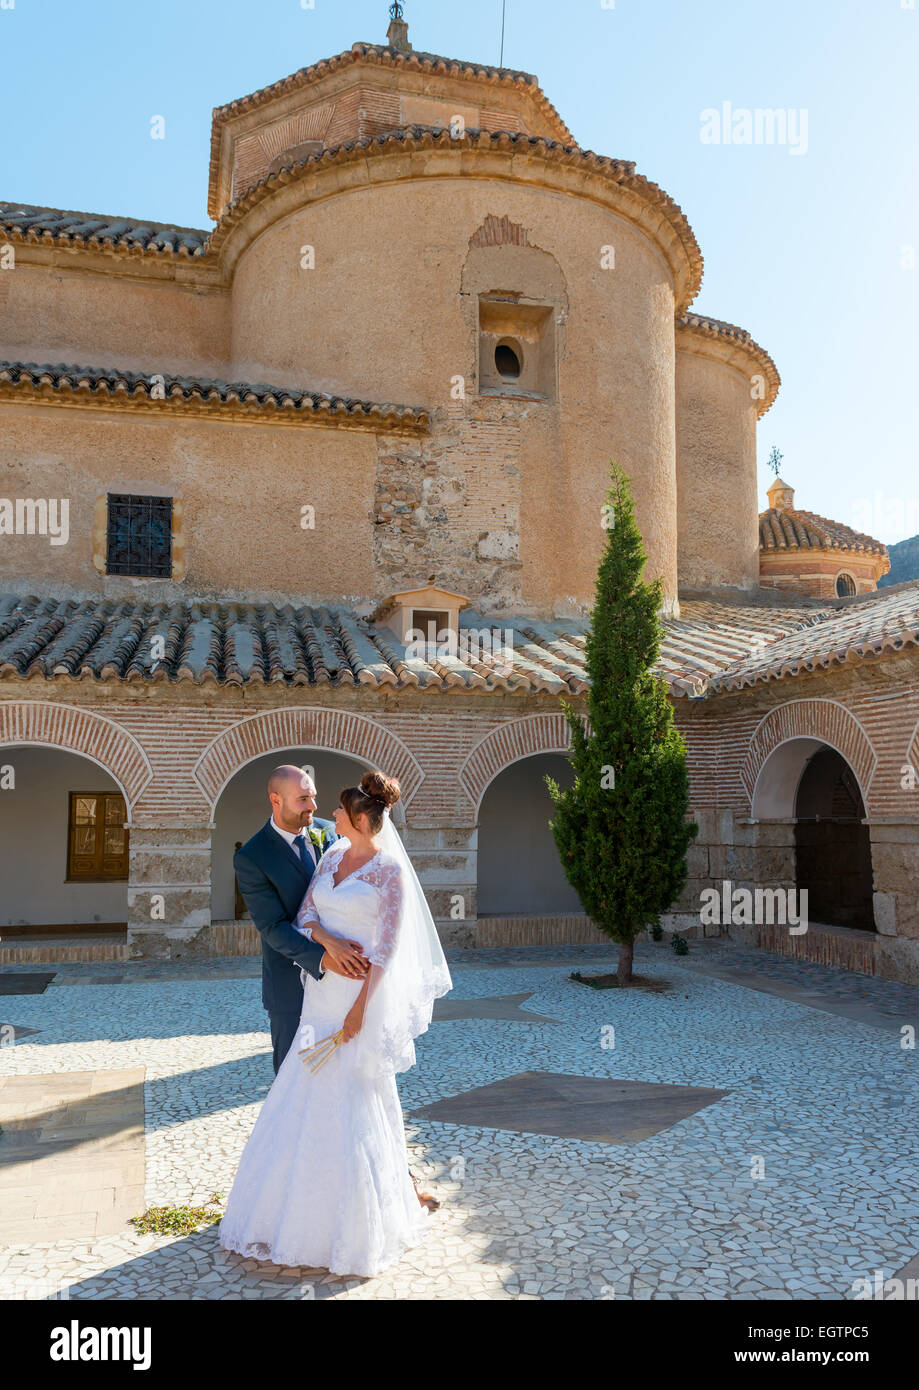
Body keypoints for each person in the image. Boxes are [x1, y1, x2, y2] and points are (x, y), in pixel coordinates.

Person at [219, 770, 453, 1277]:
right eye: (306, 799)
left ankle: (376, 1202)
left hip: (357, 997)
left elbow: (387, 948)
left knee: (358, 1095)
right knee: (300, 1093)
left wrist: (359, 1006)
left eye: (325, 804)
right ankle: (292, 1205)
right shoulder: (260, 854)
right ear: (276, 798)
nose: (318, 810)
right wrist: (326, 948)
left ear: (359, 820)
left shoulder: (364, 856)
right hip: (307, 991)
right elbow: (285, 922)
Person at [233, 765, 367, 1075]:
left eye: (313, 797)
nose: (313, 806)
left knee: (341, 1073)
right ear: (276, 800)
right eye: (303, 799)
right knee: (293, 1078)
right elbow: (272, 927)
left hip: (342, 985)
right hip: (290, 988)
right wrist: (326, 959)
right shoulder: (252, 857)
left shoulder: (332, 833)